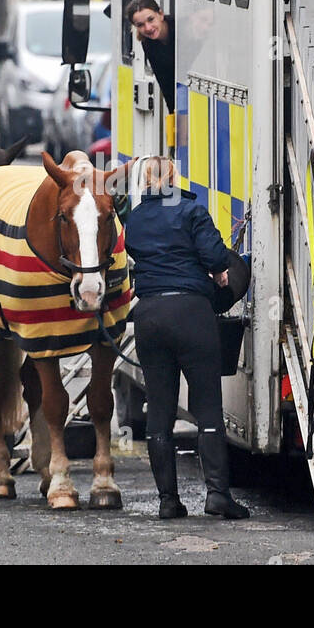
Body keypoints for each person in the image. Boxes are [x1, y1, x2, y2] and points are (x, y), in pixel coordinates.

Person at [123, 156, 249, 520]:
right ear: (175, 177)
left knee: (160, 410)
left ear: (146, 181)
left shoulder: (134, 219)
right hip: (193, 315)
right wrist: (220, 271)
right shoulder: (192, 211)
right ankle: (217, 496)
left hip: (149, 316)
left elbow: (136, 253)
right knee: (207, 406)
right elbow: (213, 255)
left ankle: (168, 501)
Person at [124, 0, 175, 113]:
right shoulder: (148, 43)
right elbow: (165, 83)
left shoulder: (180, 29)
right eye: (140, 25)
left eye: (151, 19)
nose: (148, 28)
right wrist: (173, 115)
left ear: (161, 15)